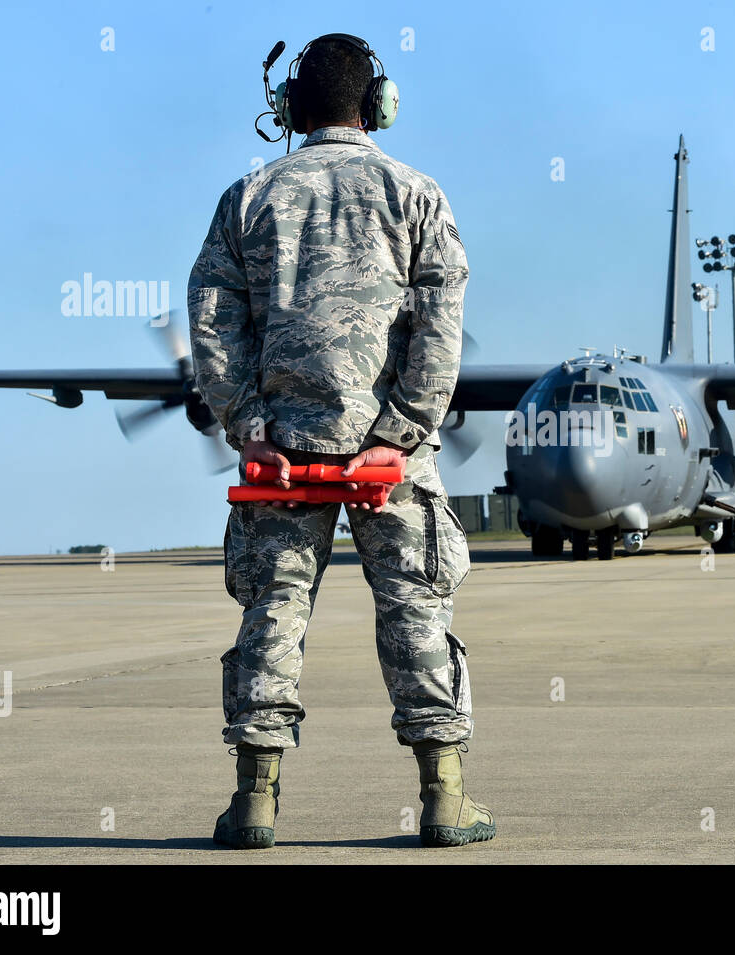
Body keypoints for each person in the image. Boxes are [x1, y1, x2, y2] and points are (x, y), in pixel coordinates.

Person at [187, 33, 494, 849]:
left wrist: (253, 428)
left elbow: (213, 324)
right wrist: (397, 435)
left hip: (281, 459)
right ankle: (444, 801)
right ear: (378, 104)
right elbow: (440, 332)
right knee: (416, 610)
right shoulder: (419, 194)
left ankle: (254, 804)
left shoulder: (248, 196)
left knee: (273, 614)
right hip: (390, 461)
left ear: (289, 108)